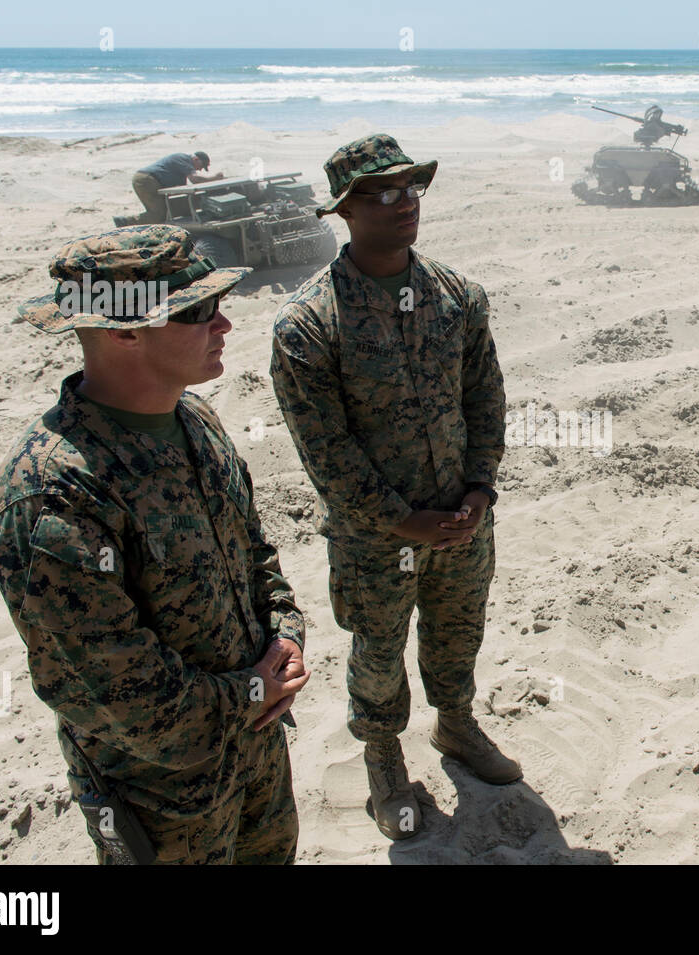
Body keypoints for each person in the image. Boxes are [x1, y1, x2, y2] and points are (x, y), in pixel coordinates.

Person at [0, 224, 310, 864]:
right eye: (198, 311)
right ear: (123, 330)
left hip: (256, 751)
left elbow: (254, 553)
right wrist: (252, 693)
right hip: (166, 799)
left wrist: (286, 634)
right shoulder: (51, 496)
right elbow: (114, 692)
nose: (225, 324)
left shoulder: (193, 419)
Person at [270, 133, 517, 842]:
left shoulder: (457, 296)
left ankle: (458, 724)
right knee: (378, 650)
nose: (402, 202)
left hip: (462, 520)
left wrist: (479, 489)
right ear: (343, 210)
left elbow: (485, 396)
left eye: (410, 187)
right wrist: (399, 519)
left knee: (458, 630)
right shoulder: (309, 326)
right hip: (377, 540)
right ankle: (383, 756)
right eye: (381, 191)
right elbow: (327, 452)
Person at [117, 151, 225, 226]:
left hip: (148, 180)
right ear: (196, 159)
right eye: (201, 166)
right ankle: (125, 222)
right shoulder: (184, 159)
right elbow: (195, 179)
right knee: (159, 214)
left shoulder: (182, 167)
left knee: (165, 211)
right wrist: (214, 178)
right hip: (146, 180)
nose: (200, 169)